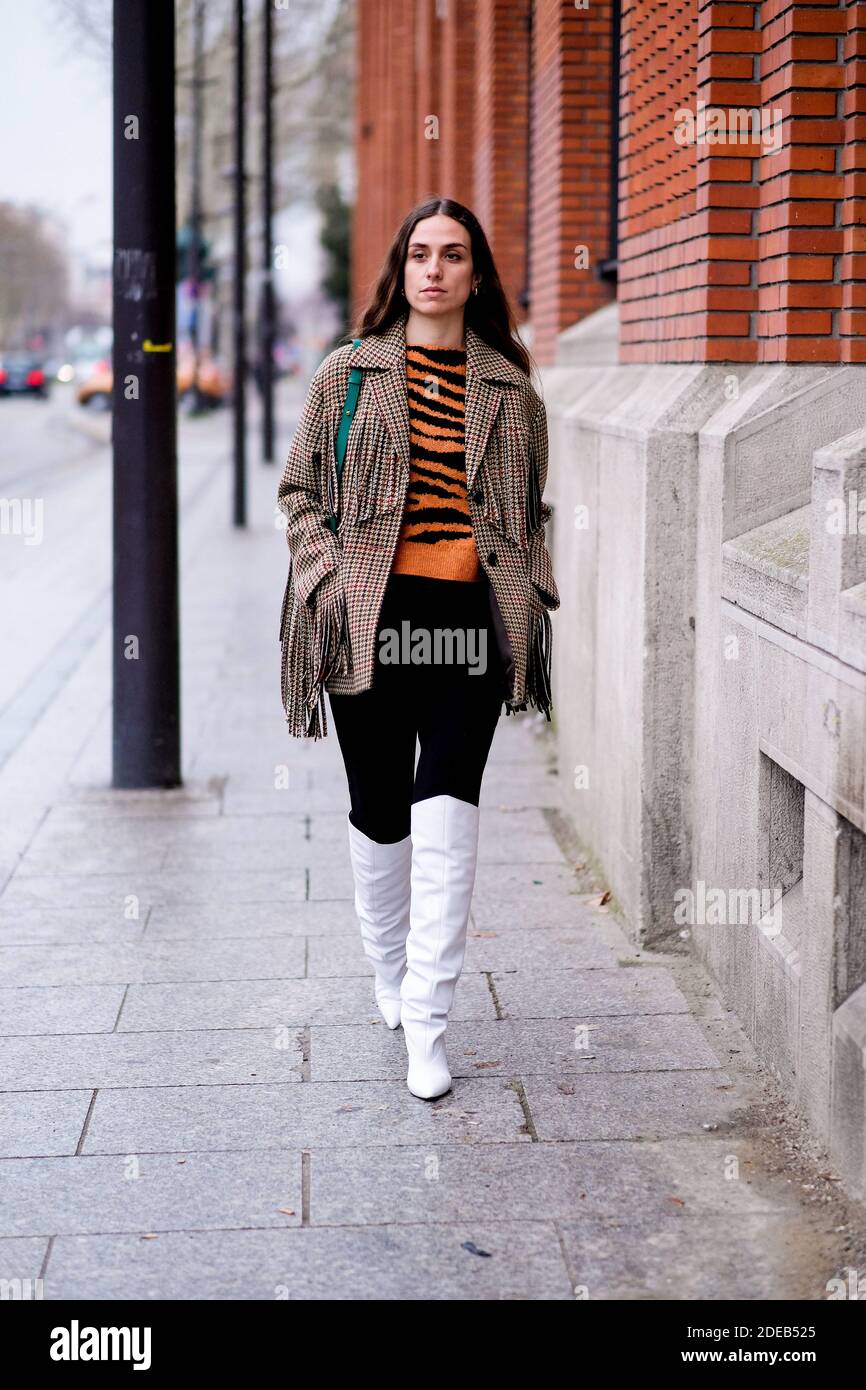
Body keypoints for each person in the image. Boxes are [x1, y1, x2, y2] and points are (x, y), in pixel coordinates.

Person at [277, 197, 560, 1099]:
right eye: (421, 255)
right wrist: (327, 578)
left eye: (454, 256)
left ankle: (430, 1022)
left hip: (467, 625)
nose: (435, 270)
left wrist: (530, 587)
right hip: (368, 621)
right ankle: (389, 966)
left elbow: (526, 509)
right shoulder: (348, 374)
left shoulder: (512, 391)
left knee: (448, 817)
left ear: (477, 276)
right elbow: (299, 493)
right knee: (379, 812)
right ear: (401, 271)